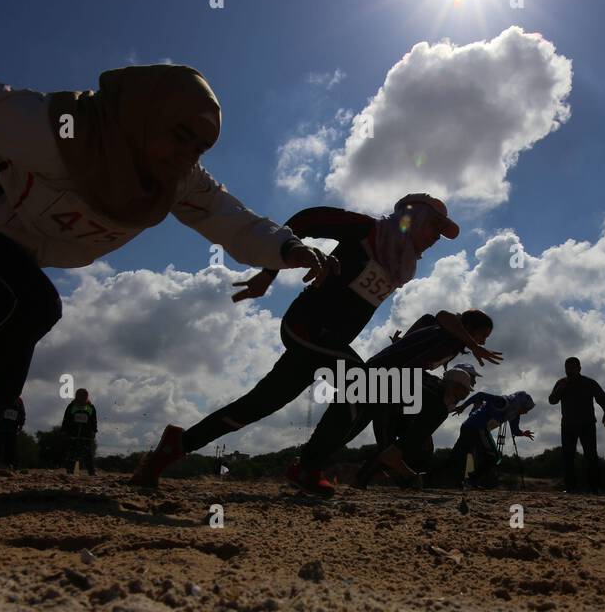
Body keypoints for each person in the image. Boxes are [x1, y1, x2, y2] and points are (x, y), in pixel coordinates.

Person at [0, 59, 337, 483]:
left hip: (6, 253)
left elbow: (231, 219)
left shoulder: (180, 180)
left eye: (198, 148)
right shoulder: (52, 129)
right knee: (27, 306)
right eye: (178, 135)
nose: (185, 155)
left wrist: (288, 248)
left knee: (1, 378)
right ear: (139, 115)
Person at [132, 194, 482, 490]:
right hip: (306, 327)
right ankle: (307, 468)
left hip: (328, 345)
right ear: (411, 216)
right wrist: (270, 270)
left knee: (259, 405)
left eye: (442, 232)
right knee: (362, 383)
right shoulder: (367, 230)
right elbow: (306, 218)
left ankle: (174, 447)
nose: (437, 237)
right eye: (434, 226)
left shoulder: (400, 264)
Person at [293, 309, 498, 496]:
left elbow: (416, 343)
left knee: (348, 428)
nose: (483, 342)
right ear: (469, 327)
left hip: (386, 380)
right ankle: (309, 468)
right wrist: (471, 344)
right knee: (434, 408)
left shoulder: (450, 344)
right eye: (482, 335)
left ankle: (305, 468)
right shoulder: (447, 333)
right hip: (377, 377)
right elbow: (444, 315)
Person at [355, 363, 480, 490]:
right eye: (464, 388)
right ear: (453, 384)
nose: (466, 393)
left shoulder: (440, 396)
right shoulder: (435, 396)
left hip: (397, 412)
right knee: (390, 450)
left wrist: (420, 435)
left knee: (418, 447)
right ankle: (376, 477)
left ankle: (400, 476)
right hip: (385, 408)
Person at [548, 357, 605, 494]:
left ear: (579, 368)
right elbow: (552, 400)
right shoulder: (561, 383)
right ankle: (570, 488)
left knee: (591, 456)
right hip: (568, 425)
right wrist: (560, 389)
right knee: (568, 456)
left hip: (587, 424)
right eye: (567, 368)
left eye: (572, 368)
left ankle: (594, 488)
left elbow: (601, 397)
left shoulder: (589, 383)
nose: (569, 371)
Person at [449, 390, 535, 488]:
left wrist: (523, 433)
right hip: (477, 427)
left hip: (470, 427)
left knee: (460, 453)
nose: (526, 412)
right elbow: (480, 395)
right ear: (520, 404)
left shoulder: (514, 414)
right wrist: (463, 407)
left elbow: (515, 430)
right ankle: (470, 480)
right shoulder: (502, 402)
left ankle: (455, 480)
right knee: (493, 456)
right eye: (526, 409)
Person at [61, 389, 98, 475]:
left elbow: (94, 421)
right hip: (72, 435)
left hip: (86, 436)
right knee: (72, 454)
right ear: (76, 396)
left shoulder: (90, 407)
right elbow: (66, 419)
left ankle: (91, 472)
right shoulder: (71, 406)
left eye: (84, 395)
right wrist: (64, 431)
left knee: (88, 455)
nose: (82, 397)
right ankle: (70, 472)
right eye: (80, 395)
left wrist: (94, 431)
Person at [0, 394, 25, 472]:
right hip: (0, 428)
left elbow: (22, 413)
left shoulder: (19, 400)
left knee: (11, 448)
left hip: (12, 428)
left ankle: (10, 465)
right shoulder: (1, 397)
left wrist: (21, 424)